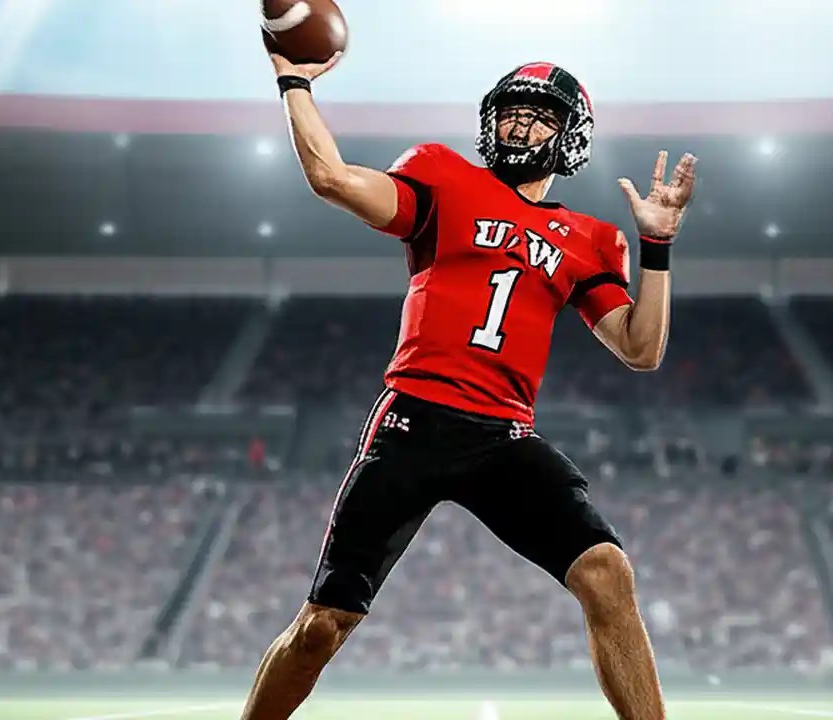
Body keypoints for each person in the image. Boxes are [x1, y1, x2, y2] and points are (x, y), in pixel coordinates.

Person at [243, 42, 696, 720]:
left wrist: (657, 246)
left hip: (504, 437)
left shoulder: (592, 238)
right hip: (414, 420)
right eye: (510, 114)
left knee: (607, 572)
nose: (518, 127)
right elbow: (332, 178)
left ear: (571, 137)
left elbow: (640, 348)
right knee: (319, 629)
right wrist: (293, 81)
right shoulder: (441, 175)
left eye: (538, 117)